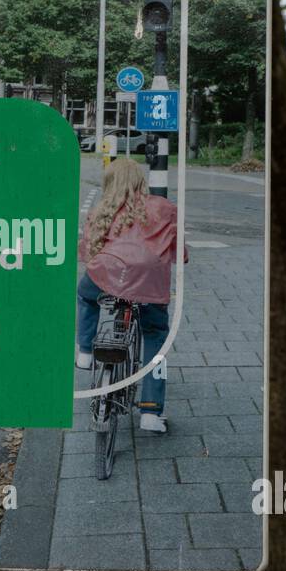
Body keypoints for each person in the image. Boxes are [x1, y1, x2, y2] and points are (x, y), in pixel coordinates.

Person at [76, 158, 187, 434]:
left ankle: (86, 351)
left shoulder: (101, 209)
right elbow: (180, 252)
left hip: (107, 275)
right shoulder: (163, 208)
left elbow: (87, 249)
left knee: (84, 295)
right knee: (156, 338)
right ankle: (150, 412)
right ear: (141, 181)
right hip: (149, 284)